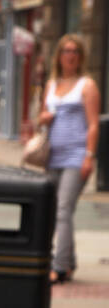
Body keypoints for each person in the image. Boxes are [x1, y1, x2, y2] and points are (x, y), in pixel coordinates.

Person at [39, 33, 101, 284]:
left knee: (63, 209)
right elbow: (41, 115)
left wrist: (89, 156)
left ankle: (59, 266)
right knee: (56, 209)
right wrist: (43, 118)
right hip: (52, 156)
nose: (71, 55)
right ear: (59, 55)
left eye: (75, 51)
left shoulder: (87, 85)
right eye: (66, 50)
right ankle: (70, 261)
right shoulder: (51, 84)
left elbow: (94, 124)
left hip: (76, 156)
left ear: (81, 56)